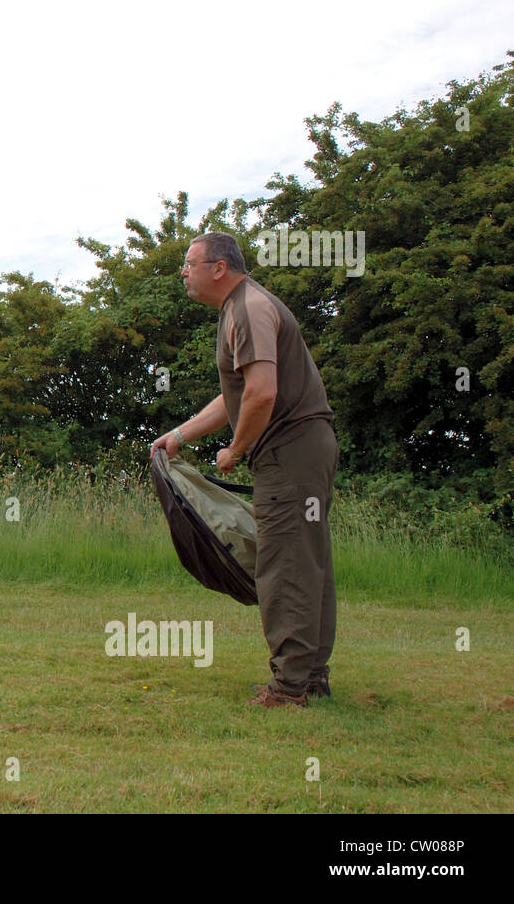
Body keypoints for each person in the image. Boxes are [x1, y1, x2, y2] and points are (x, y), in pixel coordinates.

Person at [151, 232, 338, 709]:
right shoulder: (243, 307)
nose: (184, 273)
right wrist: (180, 435)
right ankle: (310, 675)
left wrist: (236, 449)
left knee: (285, 563)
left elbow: (261, 393)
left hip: (290, 450)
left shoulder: (247, 307)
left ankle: (290, 687)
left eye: (189, 264)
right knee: (304, 556)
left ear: (218, 268)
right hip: (304, 447)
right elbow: (235, 395)